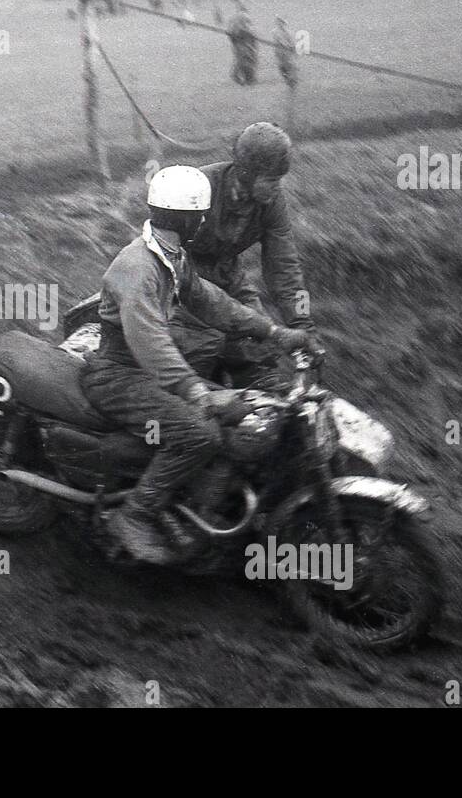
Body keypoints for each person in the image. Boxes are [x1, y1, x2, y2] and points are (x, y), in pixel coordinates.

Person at [80, 166, 321, 563]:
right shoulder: (138, 268)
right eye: (200, 214)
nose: (205, 221)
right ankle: (134, 513)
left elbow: (213, 302)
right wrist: (200, 395)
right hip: (117, 375)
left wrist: (275, 333)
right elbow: (150, 344)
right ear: (184, 218)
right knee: (199, 434)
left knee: (248, 412)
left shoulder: (171, 258)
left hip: (141, 372)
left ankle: (192, 510)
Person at [185, 122, 314, 388]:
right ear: (247, 173)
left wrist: (303, 324)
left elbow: (285, 266)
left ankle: (265, 407)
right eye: (271, 180)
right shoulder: (199, 188)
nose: (277, 188)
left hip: (229, 275)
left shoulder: (271, 203)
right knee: (199, 350)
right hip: (182, 279)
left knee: (260, 347)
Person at [226, 3, 257, 85]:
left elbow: (228, 31)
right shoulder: (245, 16)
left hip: (235, 40)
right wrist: (253, 38)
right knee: (248, 58)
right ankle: (248, 78)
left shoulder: (232, 17)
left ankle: (238, 76)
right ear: (245, 9)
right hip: (244, 39)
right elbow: (250, 30)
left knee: (239, 57)